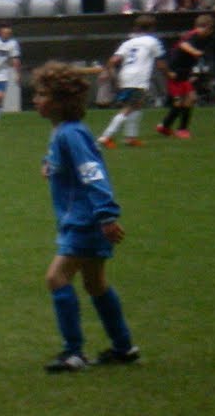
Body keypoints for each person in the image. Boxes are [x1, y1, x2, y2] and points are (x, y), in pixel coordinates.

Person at [31, 61, 139, 373]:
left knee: (56, 278)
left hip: (85, 222)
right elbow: (65, 161)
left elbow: (93, 174)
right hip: (84, 220)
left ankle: (73, 352)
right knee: (95, 283)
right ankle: (123, 347)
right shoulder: (64, 132)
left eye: (41, 94)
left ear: (60, 101)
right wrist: (47, 163)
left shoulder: (71, 135)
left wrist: (106, 216)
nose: (35, 100)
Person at [97, 14, 165, 150]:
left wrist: (107, 73)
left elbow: (113, 60)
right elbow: (161, 62)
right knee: (129, 107)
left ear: (136, 28)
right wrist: (169, 74)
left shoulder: (128, 42)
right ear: (152, 28)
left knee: (137, 105)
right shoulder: (152, 41)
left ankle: (131, 137)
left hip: (125, 75)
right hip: (139, 77)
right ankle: (106, 136)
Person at [157, 14, 211, 138]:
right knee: (180, 102)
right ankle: (168, 126)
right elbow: (183, 45)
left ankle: (177, 128)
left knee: (190, 98)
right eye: (206, 29)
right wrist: (195, 52)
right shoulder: (193, 36)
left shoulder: (200, 38)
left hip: (184, 72)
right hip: (175, 72)